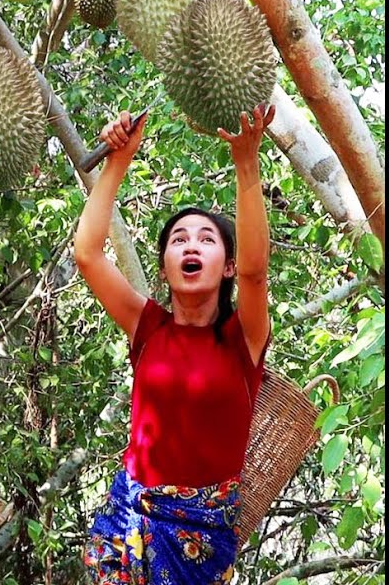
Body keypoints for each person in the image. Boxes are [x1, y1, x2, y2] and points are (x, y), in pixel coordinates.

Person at [74, 102, 275, 584]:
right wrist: (117, 162)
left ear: (225, 266)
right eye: (178, 239)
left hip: (199, 542)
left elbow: (255, 272)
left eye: (206, 239)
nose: (190, 245)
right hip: (127, 527)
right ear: (164, 263)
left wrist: (246, 164)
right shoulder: (148, 327)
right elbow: (87, 254)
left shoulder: (242, 339)